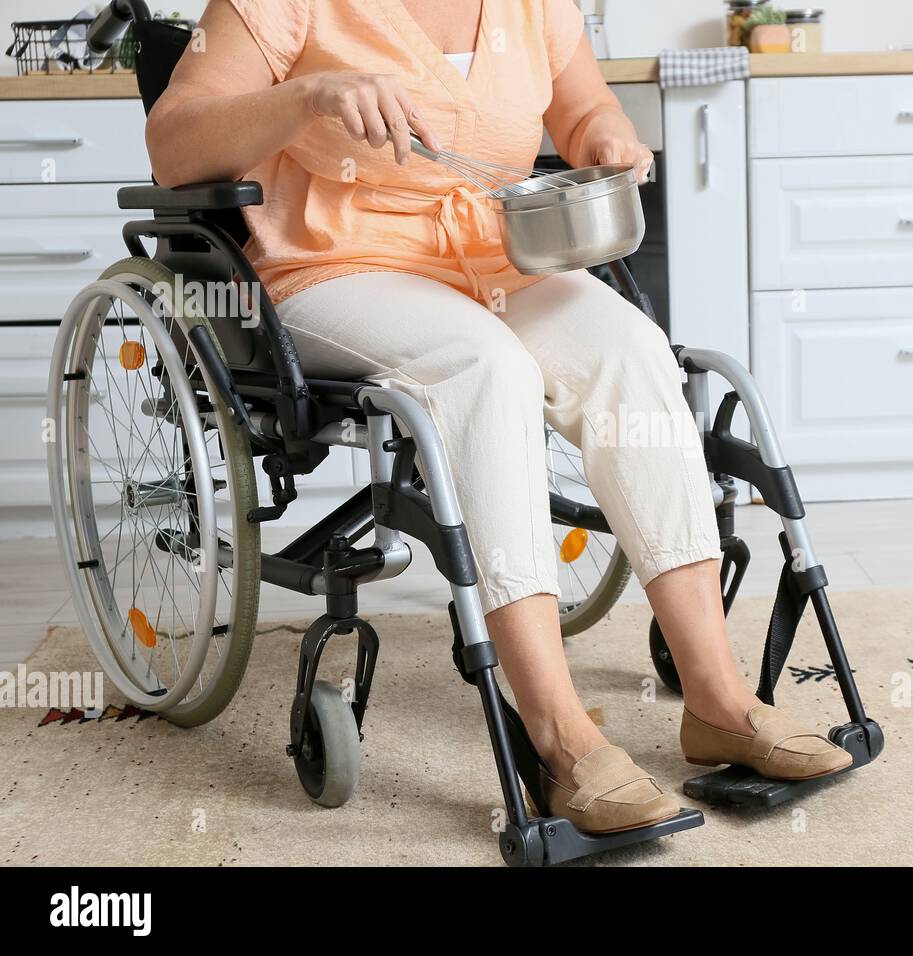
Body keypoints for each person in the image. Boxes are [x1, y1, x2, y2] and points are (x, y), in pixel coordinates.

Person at [147, 0, 850, 833]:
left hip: (497, 256)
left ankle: (719, 700)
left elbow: (584, 108)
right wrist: (308, 98)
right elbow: (173, 143)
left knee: (632, 351)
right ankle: (559, 737)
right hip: (338, 268)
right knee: (488, 369)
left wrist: (607, 139)